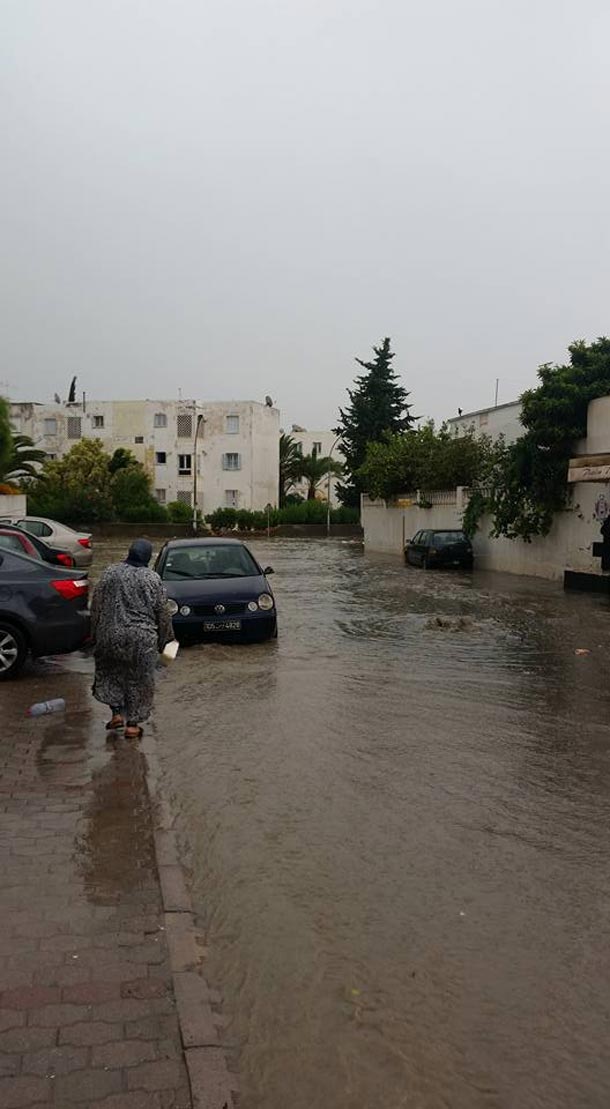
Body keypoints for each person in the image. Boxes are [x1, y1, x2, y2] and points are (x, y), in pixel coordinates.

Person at [91, 539, 174, 738]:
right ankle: (133, 725)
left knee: (111, 674)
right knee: (140, 681)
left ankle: (117, 714)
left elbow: (96, 606)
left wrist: (94, 633)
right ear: (147, 557)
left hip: (110, 635)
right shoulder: (152, 578)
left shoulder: (110, 572)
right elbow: (163, 613)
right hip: (141, 639)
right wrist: (168, 643)